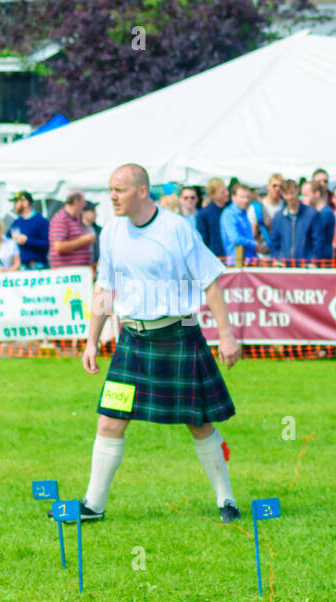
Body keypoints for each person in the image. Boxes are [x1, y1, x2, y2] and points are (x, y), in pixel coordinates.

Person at [60, 162, 241, 523]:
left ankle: (227, 501)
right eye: (110, 189)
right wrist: (92, 340)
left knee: (200, 422)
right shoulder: (111, 232)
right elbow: (104, 288)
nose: (112, 196)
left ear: (142, 191)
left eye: (120, 190)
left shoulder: (177, 230)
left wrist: (225, 334)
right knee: (110, 420)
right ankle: (93, 506)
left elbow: (210, 281)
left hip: (178, 335)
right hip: (133, 341)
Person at [267, 179, 324, 261]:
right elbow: (274, 242)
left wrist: (314, 260)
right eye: (286, 194)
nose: (289, 197)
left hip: (306, 266)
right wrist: (276, 258)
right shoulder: (278, 216)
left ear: (297, 191)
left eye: (292, 193)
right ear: (282, 194)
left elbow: (318, 242)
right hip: (284, 265)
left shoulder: (311, 214)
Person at [49, 191, 97, 269]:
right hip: (67, 273)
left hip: (79, 272)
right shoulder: (61, 219)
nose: (84, 205)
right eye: (83, 202)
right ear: (76, 202)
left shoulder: (76, 219)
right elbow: (59, 247)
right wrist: (84, 240)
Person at [7, 190, 50, 269]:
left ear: (26, 202)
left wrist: (27, 241)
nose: (14, 205)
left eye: (17, 202)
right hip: (21, 267)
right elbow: (7, 238)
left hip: (38, 266)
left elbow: (47, 243)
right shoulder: (16, 222)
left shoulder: (41, 221)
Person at [220, 183, 261, 263]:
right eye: (242, 197)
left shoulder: (244, 213)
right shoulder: (229, 214)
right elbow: (235, 238)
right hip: (236, 264)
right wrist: (254, 244)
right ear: (233, 197)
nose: (246, 200)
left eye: (248, 197)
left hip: (249, 262)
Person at [309, 183, 336, 260]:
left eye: (307, 195)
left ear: (317, 194)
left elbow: (317, 239)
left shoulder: (325, 213)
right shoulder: (320, 212)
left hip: (322, 259)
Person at [82, 202, 103, 268]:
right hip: (82, 269)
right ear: (84, 213)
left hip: (97, 267)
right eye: (92, 211)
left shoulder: (100, 230)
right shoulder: (77, 230)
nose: (96, 214)